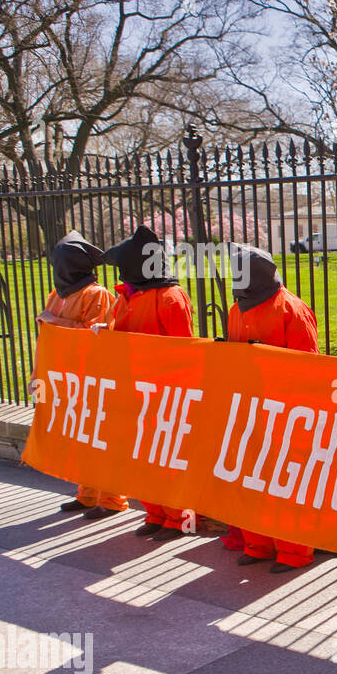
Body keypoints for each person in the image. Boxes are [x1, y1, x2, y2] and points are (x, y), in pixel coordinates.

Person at [90, 225, 195, 540]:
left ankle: (179, 518)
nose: (120, 273)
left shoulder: (170, 297)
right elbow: (123, 329)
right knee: (142, 456)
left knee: (168, 457)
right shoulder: (128, 295)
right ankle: (155, 513)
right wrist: (105, 333)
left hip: (164, 392)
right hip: (134, 389)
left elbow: (182, 349)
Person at [221, 243, 320, 573]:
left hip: (286, 410)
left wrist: (262, 356)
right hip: (248, 407)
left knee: (286, 483)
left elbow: (309, 365)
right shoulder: (238, 310)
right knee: (250, 477)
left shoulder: (292, 309)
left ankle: (294, 551)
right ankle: (257, 543)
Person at [38, 231, 127, 519]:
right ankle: (87, 494)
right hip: (66, 377)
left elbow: (98, 337)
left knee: (101, 438)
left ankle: (113, 499)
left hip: (92, 377)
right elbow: (47, 337)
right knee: (80, 438)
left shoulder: (96, 294)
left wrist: (56, 321)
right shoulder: (57, 294)